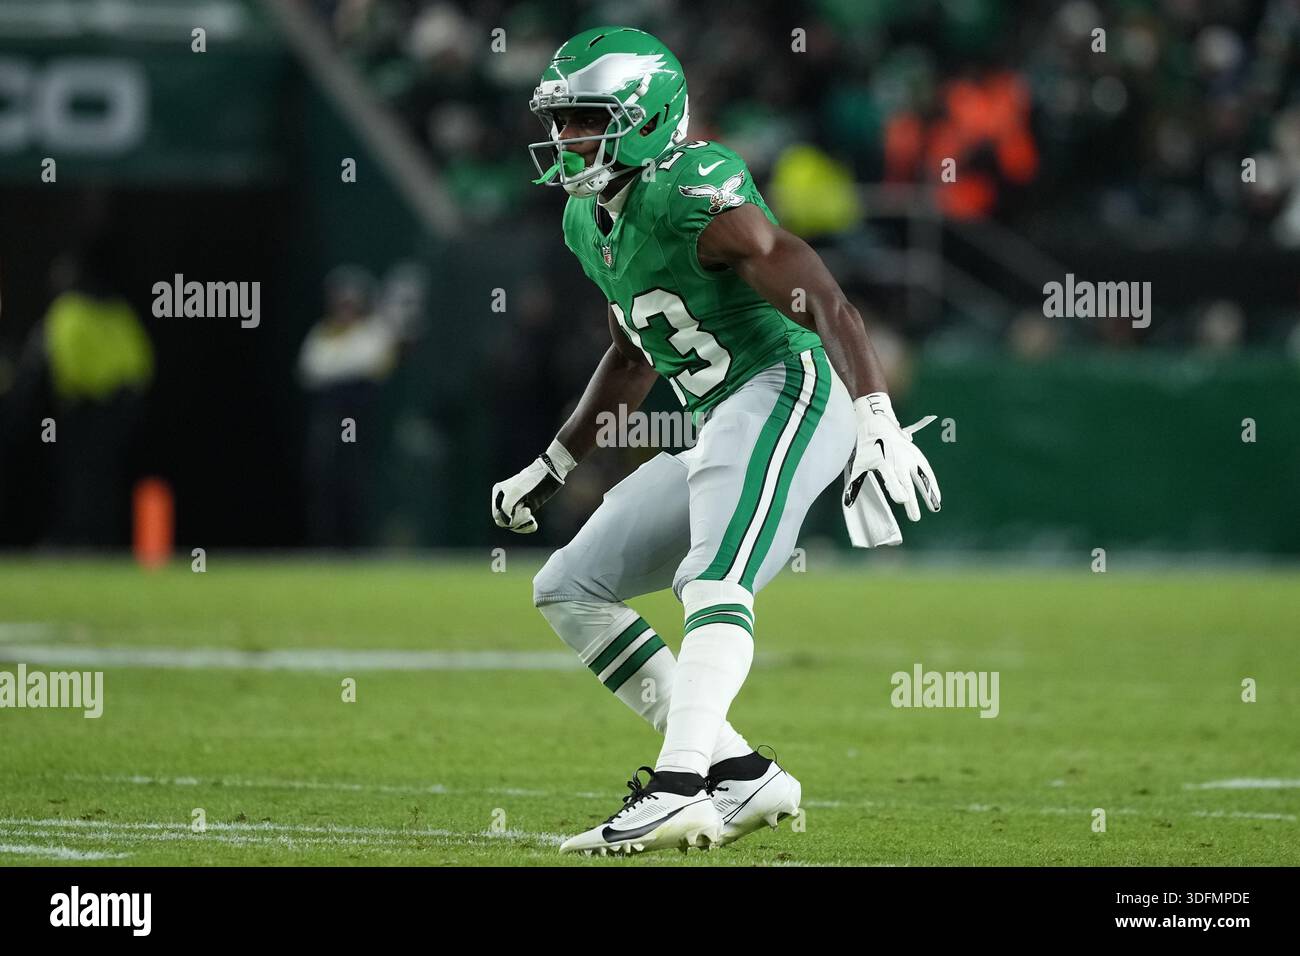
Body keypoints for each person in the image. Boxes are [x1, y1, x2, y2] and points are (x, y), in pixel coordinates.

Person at [491, 27, 942, 855]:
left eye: (585, 120)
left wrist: (874, 413)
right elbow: (634, 352)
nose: (565, 140)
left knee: (714, 577)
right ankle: (741, 775)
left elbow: (825, 298)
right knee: (569, 585)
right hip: (723, 418)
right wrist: (553, 464)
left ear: (650, 120)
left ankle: (677, 787)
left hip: (790, 392)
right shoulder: (586, 223)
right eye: (559, 122)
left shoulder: (694, 190)